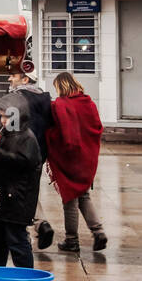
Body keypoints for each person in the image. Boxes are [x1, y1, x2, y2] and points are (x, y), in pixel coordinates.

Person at [0, 92, 42, 267]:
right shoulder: (2, 133)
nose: (3, 120)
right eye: (1, 116)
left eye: (7, 116)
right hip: (0, 198)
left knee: (18, 244)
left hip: (17, 201)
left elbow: (22, 163)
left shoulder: (27, 137)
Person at [45, 72, 106, 253]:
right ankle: (98, 231)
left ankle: (72, 240)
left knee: (70, 198)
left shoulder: (60, 105)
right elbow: (97, 128)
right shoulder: (88, 102)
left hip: (69, 159)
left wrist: (49, 139)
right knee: (84, 195)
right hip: (87, 158)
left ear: (60, 86)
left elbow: (57, 132)